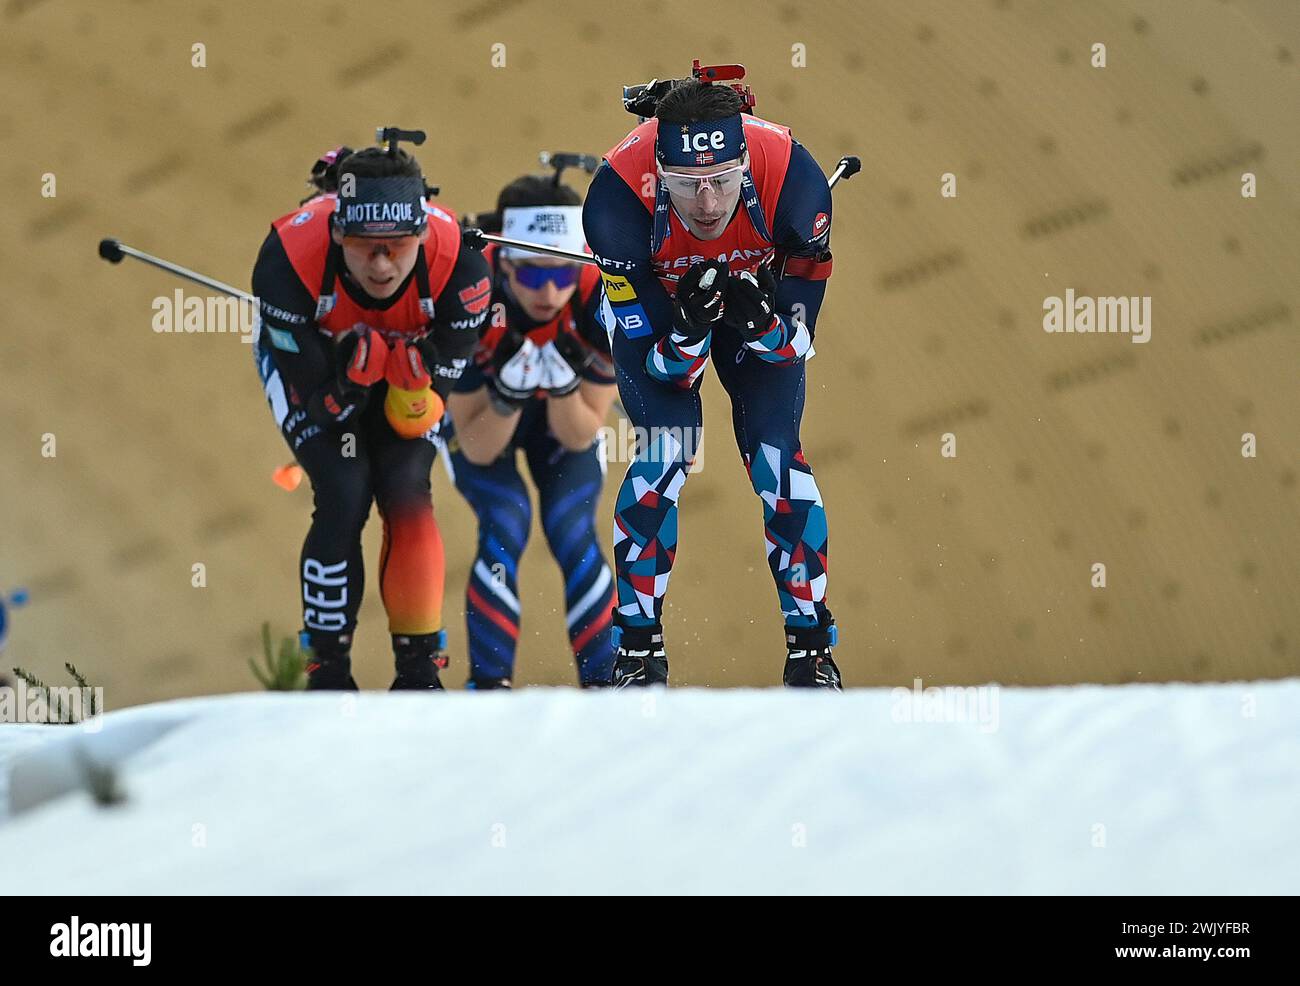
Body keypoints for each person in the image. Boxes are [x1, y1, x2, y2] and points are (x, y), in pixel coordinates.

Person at [582, 69, 842, 689]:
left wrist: (763, 327)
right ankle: (637, 652)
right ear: (658, 174)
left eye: (722, 183)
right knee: (666, 455)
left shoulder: (796, 182)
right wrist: (690, 333)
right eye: (687, 186)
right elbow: (659, 368)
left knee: (778, 462)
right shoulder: (616, 200)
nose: (706, 205)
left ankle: (812, 648)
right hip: (666, 320)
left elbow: (793, 349)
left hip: (757, 307)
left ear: (747, 166)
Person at [251, 133, 492, 690]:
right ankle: (325, 668)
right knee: (342, 489)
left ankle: (420, 669)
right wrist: (351, 382)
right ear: (337, 232)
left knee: (407, 486)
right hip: (320, 372)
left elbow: (420, 417)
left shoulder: (464, 267)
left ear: (424, 232)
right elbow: (322, 405)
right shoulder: (285, 261)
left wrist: (408, 386)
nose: (381, 264)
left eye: (398, 246)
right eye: (363, 245)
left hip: (402, 372)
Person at [442, 171, 619, 688]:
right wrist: (506, 397)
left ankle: (609, 687)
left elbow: (581, 434)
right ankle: (488, 689)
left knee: (573, 531)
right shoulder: (470, 292)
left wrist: (561, 390)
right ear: (504, 262)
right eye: (532, 274)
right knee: (506, 520)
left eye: (563, 274)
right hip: (486, 422)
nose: (548, 292)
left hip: (560, 423)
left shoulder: (599, 296)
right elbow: (475, 448)